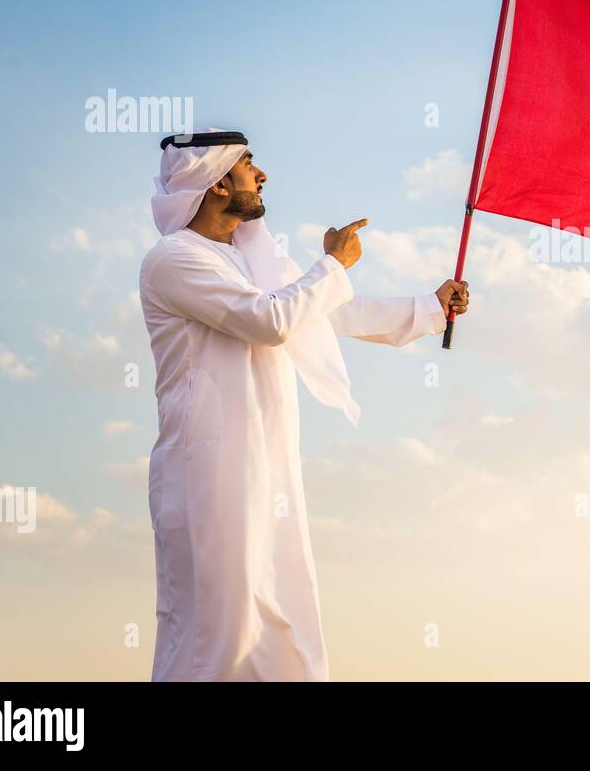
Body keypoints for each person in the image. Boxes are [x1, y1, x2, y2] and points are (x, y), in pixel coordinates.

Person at [138, 129, 469, 681]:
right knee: (218, 633)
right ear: (218, 183)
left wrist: (428, 308)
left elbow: (329, 311)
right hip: (208, 474)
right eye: (250, 166)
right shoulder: (173, 260)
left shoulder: (251, 262)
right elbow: (271, 322)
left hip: (268, 467)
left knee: (285, 627)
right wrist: (334, 263)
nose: (262, 175)